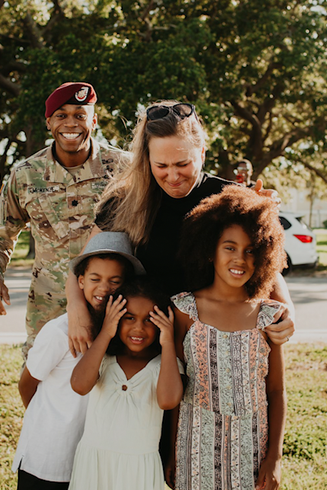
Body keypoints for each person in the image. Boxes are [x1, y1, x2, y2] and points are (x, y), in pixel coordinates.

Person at [63, 100, 295, 356]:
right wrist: (76, 310)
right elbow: (81, 266)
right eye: (161, 166)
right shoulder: (125, 201)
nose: (173, 177)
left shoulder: (230, 198)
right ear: (147, 158)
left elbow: (262, 264)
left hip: (211, 342)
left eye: (183, 164)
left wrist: (286, 307)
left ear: (202, 153)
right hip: (144, 343)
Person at [0, 82, 131, 356]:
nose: (71, 123)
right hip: (48, 306)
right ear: (49, 123)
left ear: (93, 121)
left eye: (80, 115)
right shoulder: (26, 174)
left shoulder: (124, 169)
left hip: (114, 301)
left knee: (111, 375)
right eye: (61, 115)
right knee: (39, 373)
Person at [168, 186, 287, 490]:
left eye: (251, 250)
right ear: (210, 250)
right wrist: (171, 451)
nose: (240, 259)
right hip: (196, 449)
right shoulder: (185, 310)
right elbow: (177, 386)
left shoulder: (268, 315)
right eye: (230, 248)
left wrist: (274, 458)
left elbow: (277, 391)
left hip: (253, 453)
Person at [10, 232, 145, 490]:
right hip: (47, 455)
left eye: (114, 281)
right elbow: (26, 383)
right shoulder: (59, 332)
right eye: (95, 278)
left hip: (88, 457)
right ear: (80, 281)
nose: (104, 288)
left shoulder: (121, 334)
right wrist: (46, 423)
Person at [54, 278, 183, 490]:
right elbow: (79, 385)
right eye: (129, 318)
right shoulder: (102, 358)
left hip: (138, 468)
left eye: (150, 320)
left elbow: (168, 401)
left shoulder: (164, 365)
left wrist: (168, 342)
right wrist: (106, 331)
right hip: (95, 464)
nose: (139, 328)